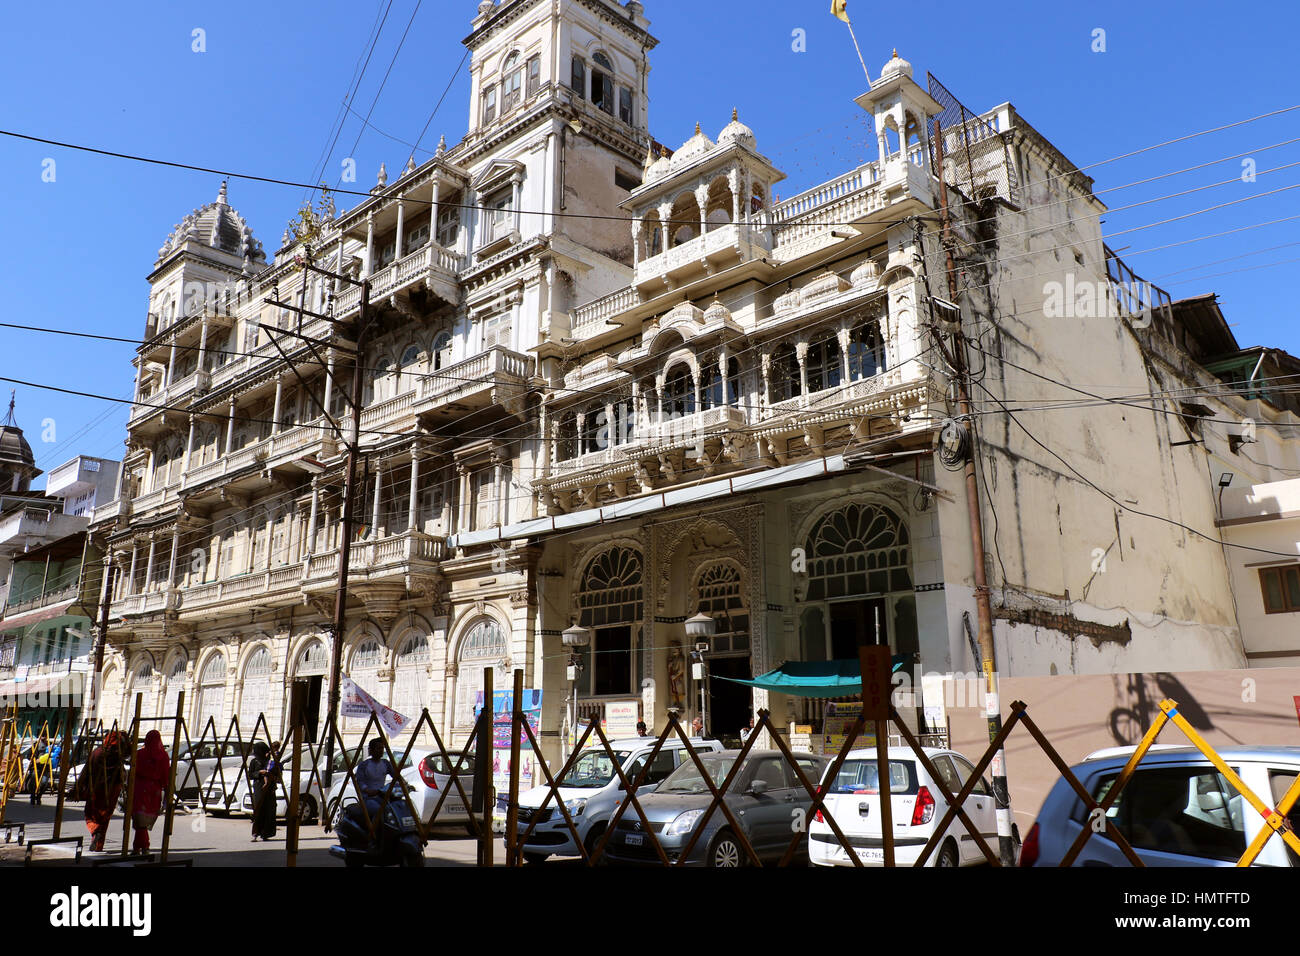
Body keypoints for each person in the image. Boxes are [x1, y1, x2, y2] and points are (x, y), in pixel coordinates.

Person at [76, 731, 128, 852]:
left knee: (90, 813)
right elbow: (123, 774)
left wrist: (80, 786)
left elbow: (87, 769)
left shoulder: (98, 752)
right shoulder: (118, 755)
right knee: (105, 817)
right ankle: (99, 846)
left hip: (97, 788)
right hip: (112, 790)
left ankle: (95, 830)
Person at [131, 730, 170, 854]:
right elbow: (165, 776)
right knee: (144, 820)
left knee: (140, 820)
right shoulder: (163, 756)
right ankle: (141, 847)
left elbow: (133, 770)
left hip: (140, 789)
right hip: (154, 791)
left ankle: (142, 847)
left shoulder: (140, 754)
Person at [354, 738, 396, 819]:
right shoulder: (364, 765)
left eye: (382, 748)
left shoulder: (385, 763)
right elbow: (360, 782)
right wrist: (367, 790)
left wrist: (405, 784)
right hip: (368, 798)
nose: (381, 751)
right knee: (378, 811)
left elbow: (396, 776)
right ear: (371, 750)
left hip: (382, 796)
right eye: (378, 748)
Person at [247, 742, 279, 842]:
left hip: (270, 787)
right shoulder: (254, 761)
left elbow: (276, 772)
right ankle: (256, 833)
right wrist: (259, 772)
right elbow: (250, 775)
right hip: (259, 787)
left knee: (269, 810)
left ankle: (266, 833)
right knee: (259, 810)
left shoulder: (270, 760)